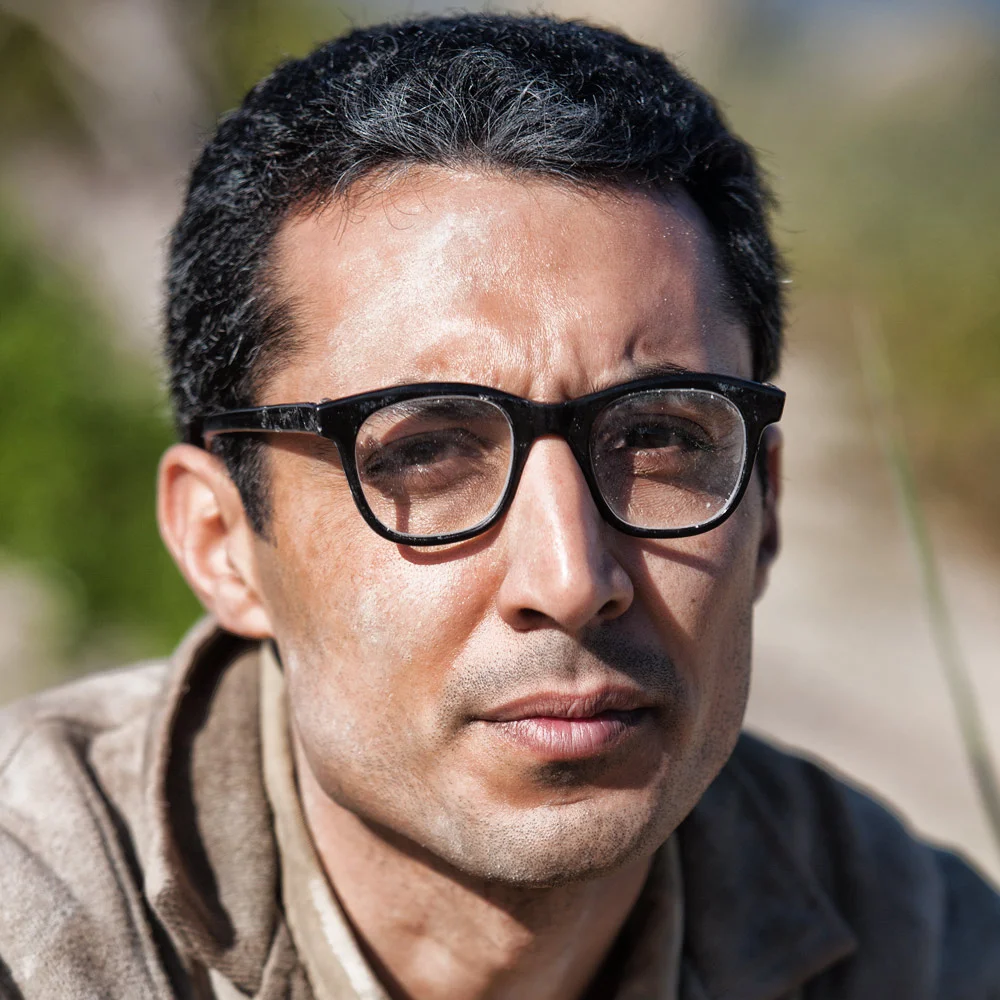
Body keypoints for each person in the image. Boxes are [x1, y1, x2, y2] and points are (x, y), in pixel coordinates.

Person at [1, 12, 998, 999]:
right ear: (222, 545)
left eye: (656, 437)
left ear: (764, 506)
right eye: (427, 450)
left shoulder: (917, 946)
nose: (571, 579)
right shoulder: (36, 929)